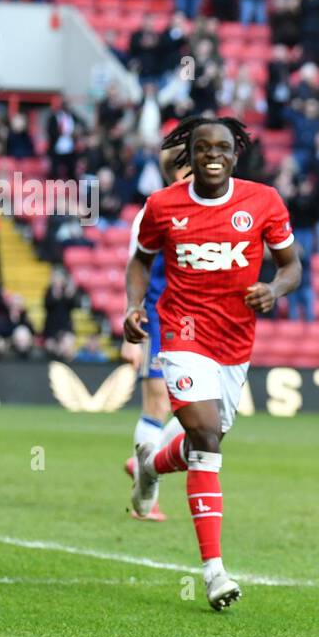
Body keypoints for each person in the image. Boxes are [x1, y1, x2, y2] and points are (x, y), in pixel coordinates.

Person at [125, 116, 301, 610]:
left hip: (235, 339)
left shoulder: (263, 202)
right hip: (182, 330)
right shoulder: (162, 206)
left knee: (210, 438)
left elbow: (292, 265)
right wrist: (132, 308)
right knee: (203, 435)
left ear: (235, 153)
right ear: (190, 154)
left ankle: (151, 468)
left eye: (222, 147)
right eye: (203, 148)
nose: (213, 155)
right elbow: (140, 261)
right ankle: (214, 572)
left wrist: (273, 289)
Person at [120, 141, 192, 522]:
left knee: (199, 409)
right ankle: (147, 498)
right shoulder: (153, 211)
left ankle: (141, 459)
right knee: (157, 405)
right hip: (156, 319)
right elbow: (136, 269)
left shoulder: (202, 208)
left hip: (193, 322)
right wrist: (129, 328)